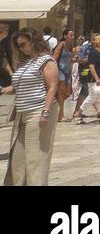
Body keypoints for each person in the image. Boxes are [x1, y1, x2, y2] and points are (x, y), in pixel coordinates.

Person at [1, 28, 59, 185]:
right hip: (22, 113)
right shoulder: (24, 62)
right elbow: (19, 85)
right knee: (17, 159)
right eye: (18, 46)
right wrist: (6, 89)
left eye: (23, 44)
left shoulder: (46, 60)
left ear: (34, 41)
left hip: (38, 111)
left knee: (36, 159)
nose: (21, 48)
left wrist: (45, 112)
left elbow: (52, 86)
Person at [52, 28, 75, 122]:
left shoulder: (70, 46)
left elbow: (69, 59)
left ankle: (57, 113)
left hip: (68, 72)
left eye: (73, 35)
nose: (72, 37)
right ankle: (60, 116)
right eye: (70, 35)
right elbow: (55, 57)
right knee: (61, 94)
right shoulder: (61, 44)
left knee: (67, 93)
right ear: (65, 36)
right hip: (60, 71)